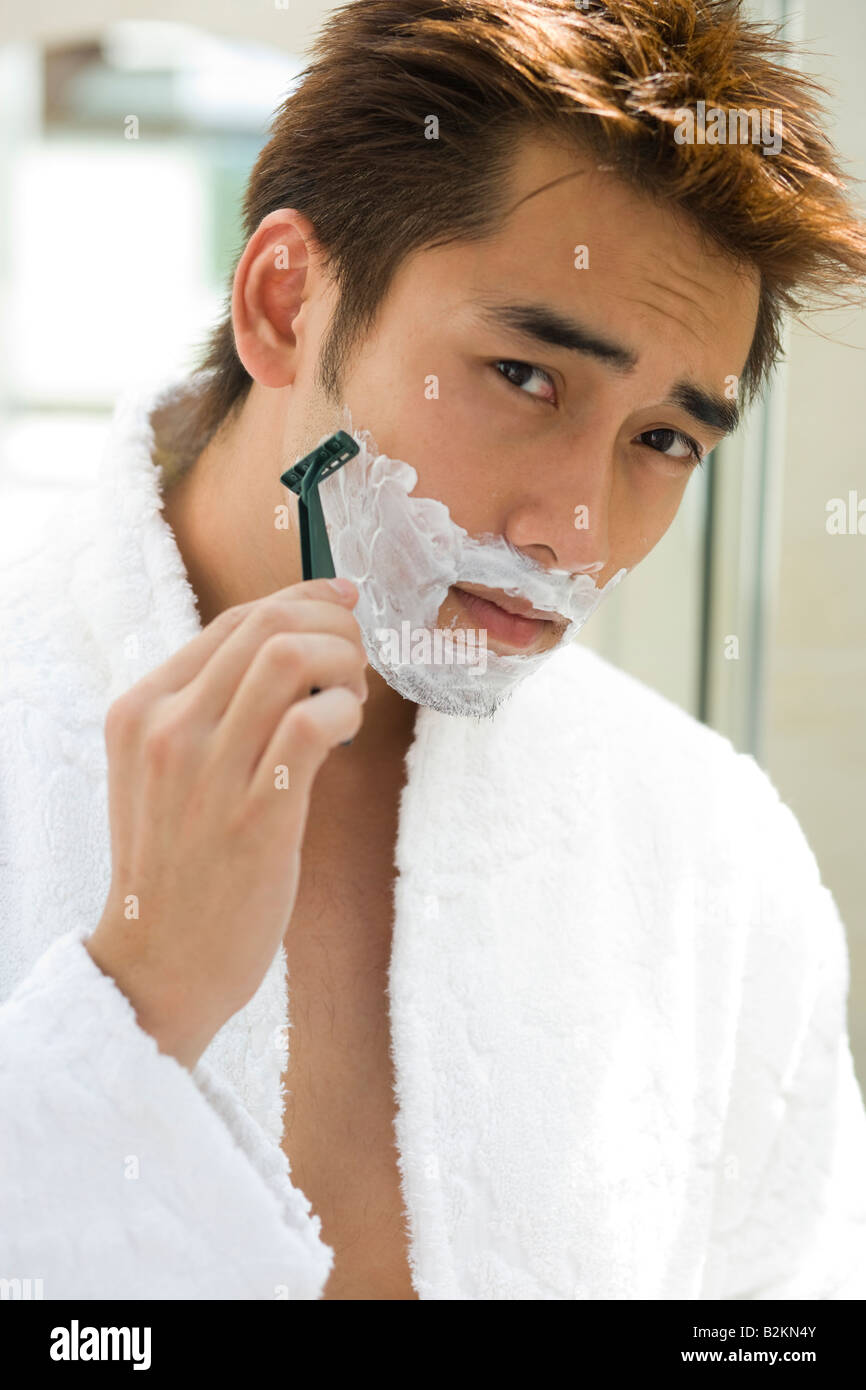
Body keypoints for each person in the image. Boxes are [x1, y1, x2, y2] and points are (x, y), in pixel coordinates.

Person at [1, 0, 865, 1301]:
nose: (576, 527)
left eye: (664, 441)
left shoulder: (710, 862)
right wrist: (129, 1014)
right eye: (523, 375)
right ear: (285, 303)